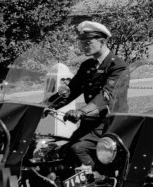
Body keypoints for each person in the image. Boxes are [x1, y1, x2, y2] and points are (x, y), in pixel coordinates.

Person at [45, 21, 131, 171]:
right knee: (61, 152)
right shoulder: (88, 66)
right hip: (90, 124)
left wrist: (82, 111)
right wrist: (44, 106)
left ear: (102, 42)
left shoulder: (118, 66)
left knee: (78, 149)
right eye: (81, 43)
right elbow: (70, 91)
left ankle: (102, 180)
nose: (83, 46)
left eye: (87, 42)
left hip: (109, 124)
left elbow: (105, 96)